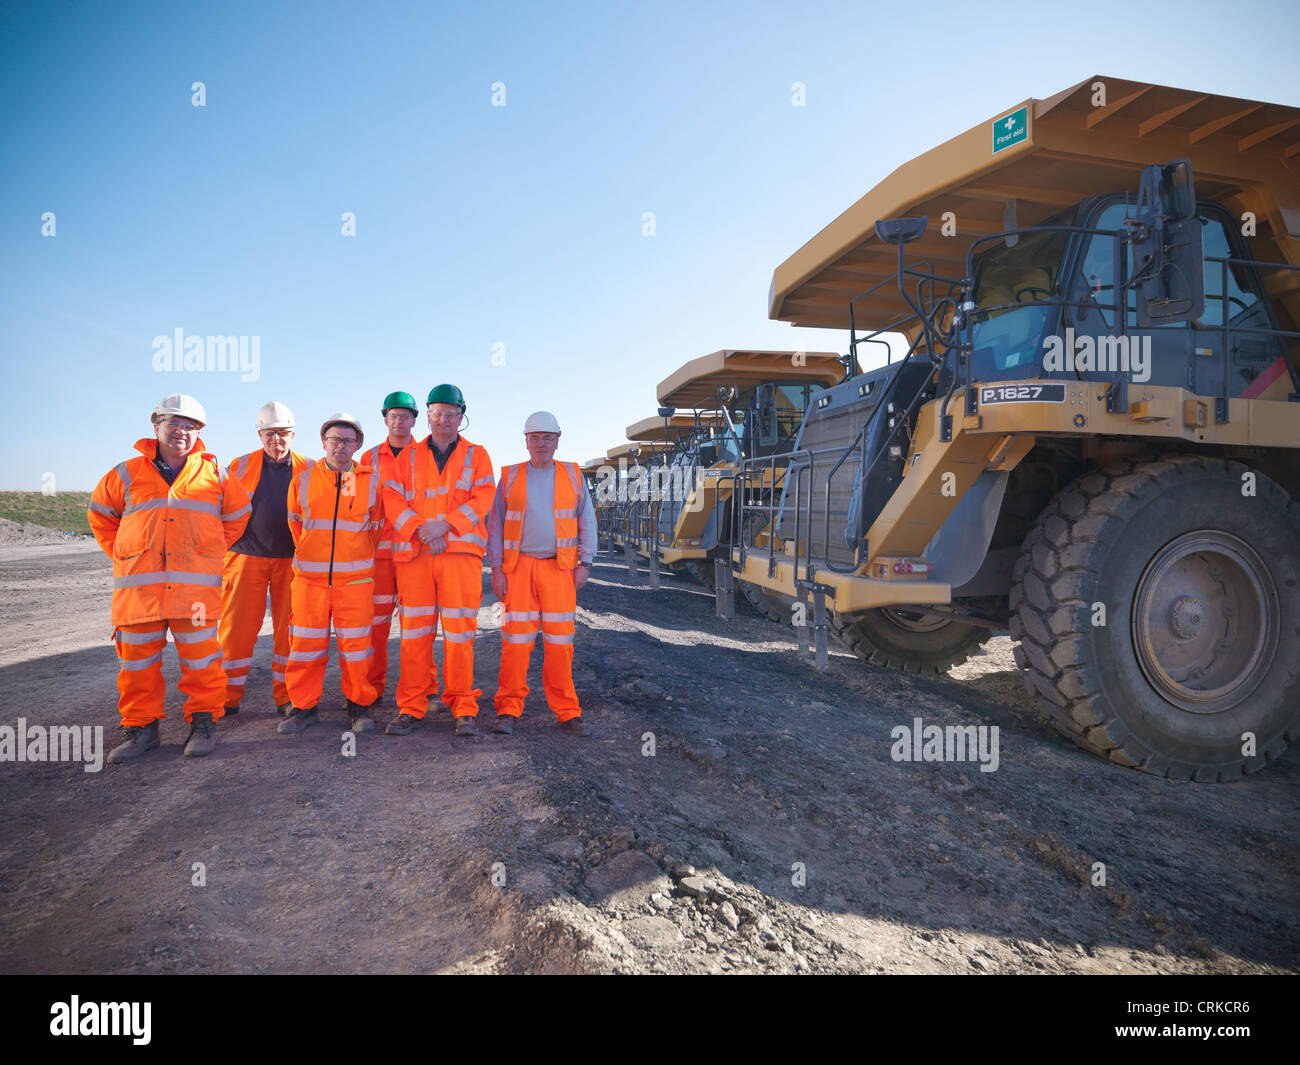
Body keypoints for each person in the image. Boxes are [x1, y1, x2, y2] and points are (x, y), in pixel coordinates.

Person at [88, 394, 252, 762]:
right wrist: (125, 554)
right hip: (140, 591)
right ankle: (141, 730)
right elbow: (100, 515)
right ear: (156, 425)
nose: (181, 431)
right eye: (173, 423)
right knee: (137, 665)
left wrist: (208, 550)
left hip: (195, 592)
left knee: (201, 662)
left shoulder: (216, 475)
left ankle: (203, 723)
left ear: (200, 432)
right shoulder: (125, 473)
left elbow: (239, 515)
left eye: (189, 425)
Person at [383, 384, 495, 739]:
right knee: (415, 634)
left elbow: (484, 496)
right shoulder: (407, 457)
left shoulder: (478, 455)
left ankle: (463, 706)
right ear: (427, 416)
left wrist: (444, 526)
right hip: (416, 557)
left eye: (451, 413)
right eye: (437, 413)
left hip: (459, 556)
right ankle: (412, 705)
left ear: (462, 417)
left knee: (460, 635)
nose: (444, 419)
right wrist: (421, 530)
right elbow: (392, 499)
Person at [486, 411, 596, 736]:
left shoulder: (573, 475)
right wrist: (496, 569)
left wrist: (585, 563)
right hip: (517, 568)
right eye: (535, 438)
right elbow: (494, 526)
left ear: (558, 440)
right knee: (516, 643)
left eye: (548, 437)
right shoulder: (510, 476)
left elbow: (586, 520)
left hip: (559, 568)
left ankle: (566, 711)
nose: (541, 444)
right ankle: (507, 709)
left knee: (560, 644)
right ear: (526, 442)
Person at [279, 413, 384, 735]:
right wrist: (316, 558)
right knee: (305, 647)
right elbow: (295, 525)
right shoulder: (304, 480)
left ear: (357, 446)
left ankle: (359, 705)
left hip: (355, 582)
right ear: (323, 443)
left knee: (356, 647)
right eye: (334, 439)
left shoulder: (370, 482)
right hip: (310, 581)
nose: (340, 445)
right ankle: (303, 707)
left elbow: (377, 529)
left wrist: (352, 558)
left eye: (347, 440)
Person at [218, 401, 310, 715]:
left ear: (293, 434)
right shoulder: (238, 465)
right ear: (260, 434)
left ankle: (288, 697)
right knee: (236, 630)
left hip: (294, 561)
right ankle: (226, 697)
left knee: (291, 632)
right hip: (246, 557)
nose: (276, 440)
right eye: (269, 433)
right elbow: (219, 507)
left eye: (282, 433)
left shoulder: (311, 468)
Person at [358, 391, 427, 706]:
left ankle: (424, 688)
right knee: (376, 626)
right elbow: (356, 504)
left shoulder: (427, 455)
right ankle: (372, 687)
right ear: (385, 419)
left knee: (419, 627)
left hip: (417, 554)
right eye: (394, 416)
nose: (399, 422)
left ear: (414, 420)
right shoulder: (369, 458)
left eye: (405, 416)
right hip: (381, 555)